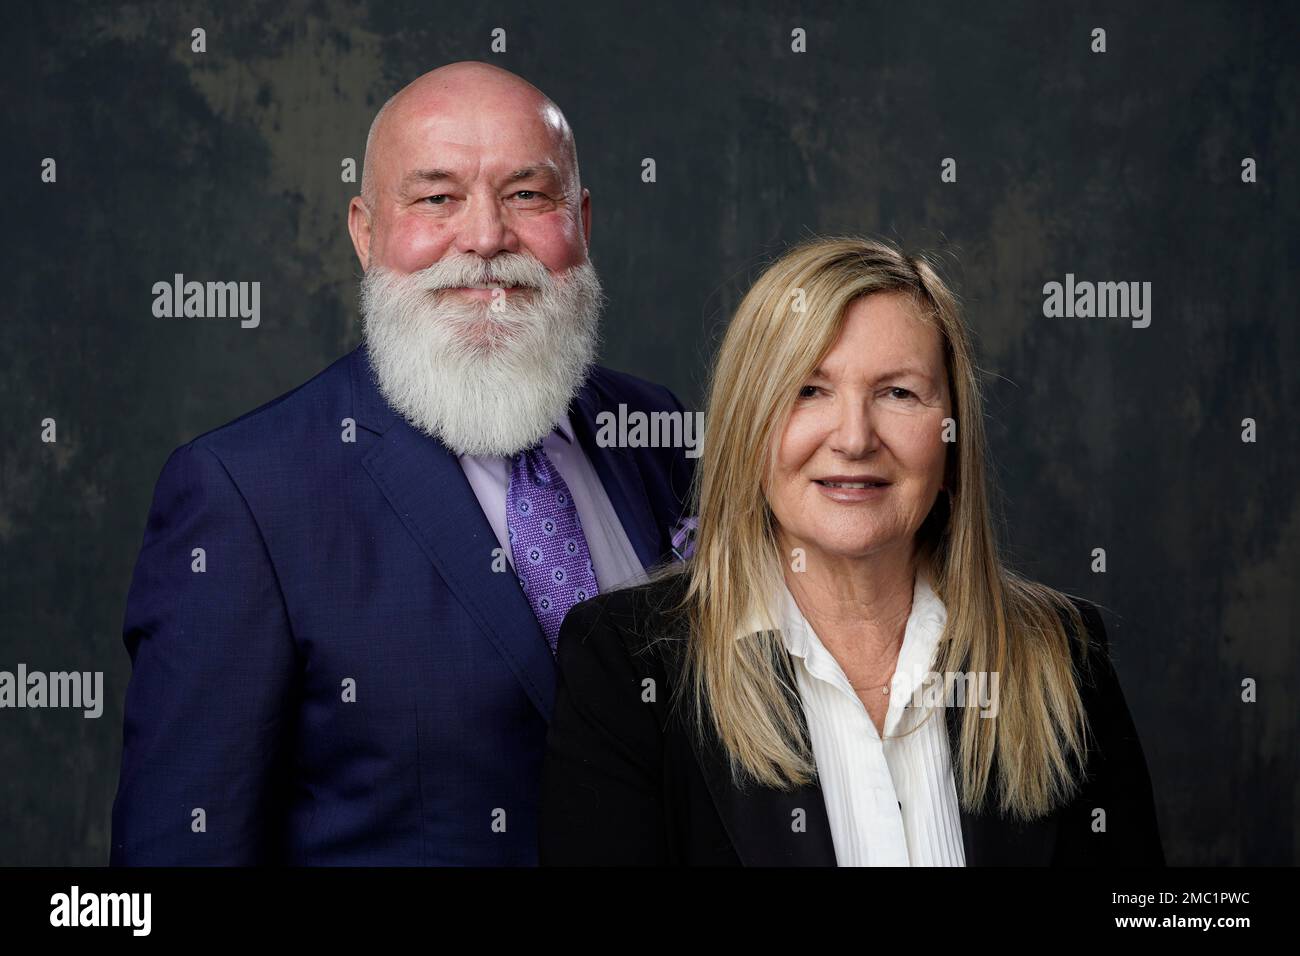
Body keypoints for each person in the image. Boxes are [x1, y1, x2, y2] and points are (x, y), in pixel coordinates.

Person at [110, 61, 695, 865]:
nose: (487, 238)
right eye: (435, 198)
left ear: (582, 221)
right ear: (365, 230)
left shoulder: (656, 432)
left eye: (528, 194)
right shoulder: (244, 495)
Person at [540, 236, 1164, 866]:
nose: (854, 438)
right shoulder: (626, 664)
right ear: (745, 428)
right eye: (810, 390)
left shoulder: (1061, 653)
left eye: (898, 393)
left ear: (952, 438)